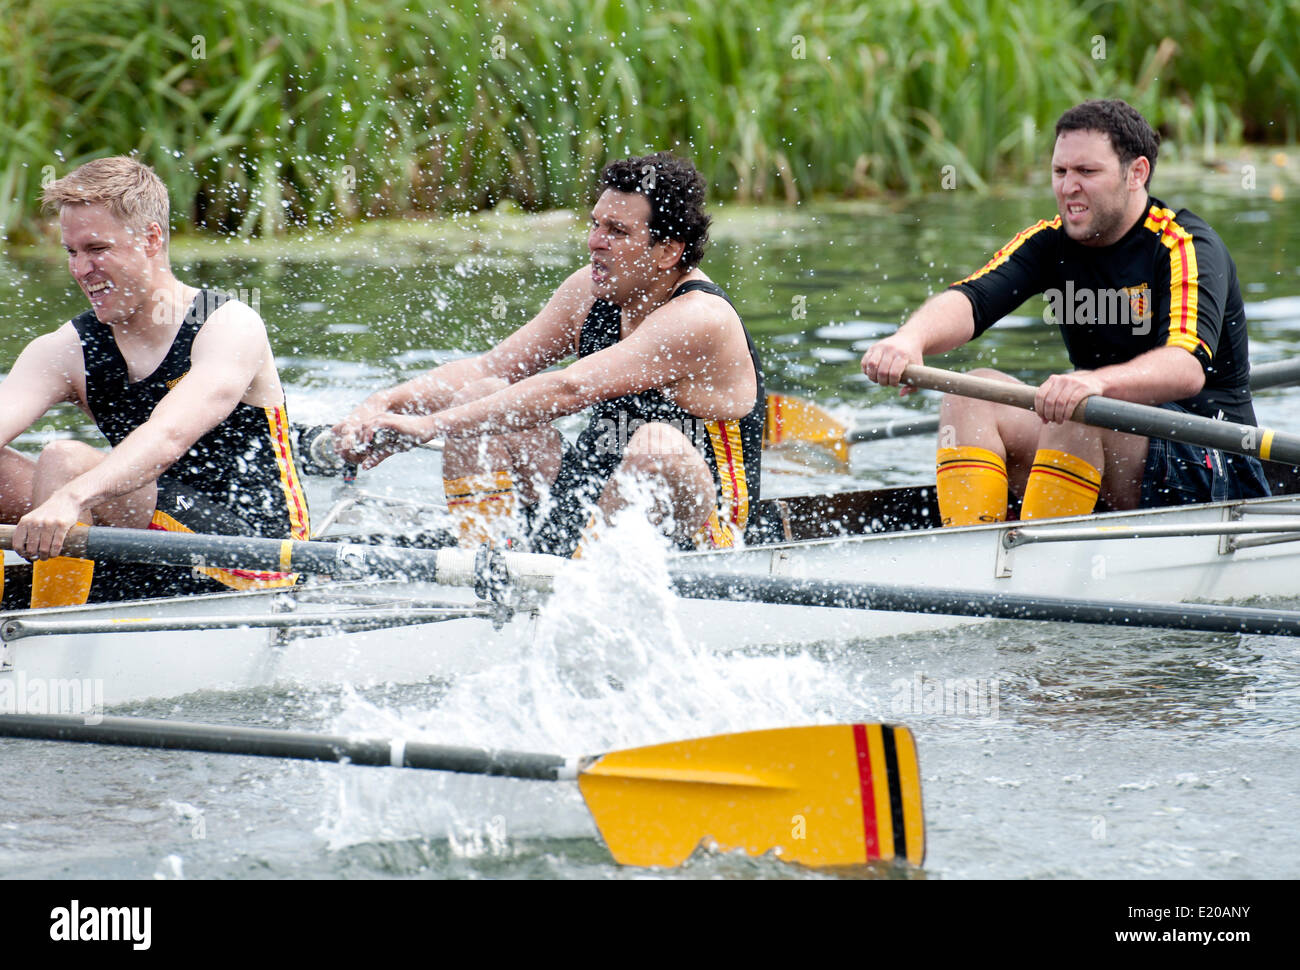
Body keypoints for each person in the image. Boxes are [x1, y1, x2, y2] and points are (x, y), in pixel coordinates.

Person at [333, 152, 763, 557]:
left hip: (705, 526)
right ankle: (485, 562)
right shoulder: (588, 290)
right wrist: (382, 404)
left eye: (617, 232)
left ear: (668, 251)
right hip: (596, 491)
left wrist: (426, 427)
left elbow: (569, 388)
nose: (596, 242)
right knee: (480, 393)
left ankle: (569, 578)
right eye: (595, 225)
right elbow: (488, 367)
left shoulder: (700, 318)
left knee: (655, 443)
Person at [862, 99, 1269, 526]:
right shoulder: (1049, 243)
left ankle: (1029, 563)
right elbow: (971, 299)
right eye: (1060, 172)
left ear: (1137, 173)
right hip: (1100, 436)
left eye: (1087, 173)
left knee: (1076, 407)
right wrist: (909, 340)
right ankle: (976, 554)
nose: (1068, 187)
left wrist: (1095, 381)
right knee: (969, 395)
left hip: (1214, 461)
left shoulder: (1182, 245)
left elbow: (1185, 368)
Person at [0, 156, 310, 606]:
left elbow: (167, 436)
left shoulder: (226, 325)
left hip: (255, 555)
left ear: (150, 238)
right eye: (72, 252)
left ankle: (46, 631)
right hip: (140, 541)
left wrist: (70, 497)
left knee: (65, 459)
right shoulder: (64, 349)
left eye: (97, 249)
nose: (82, 269)